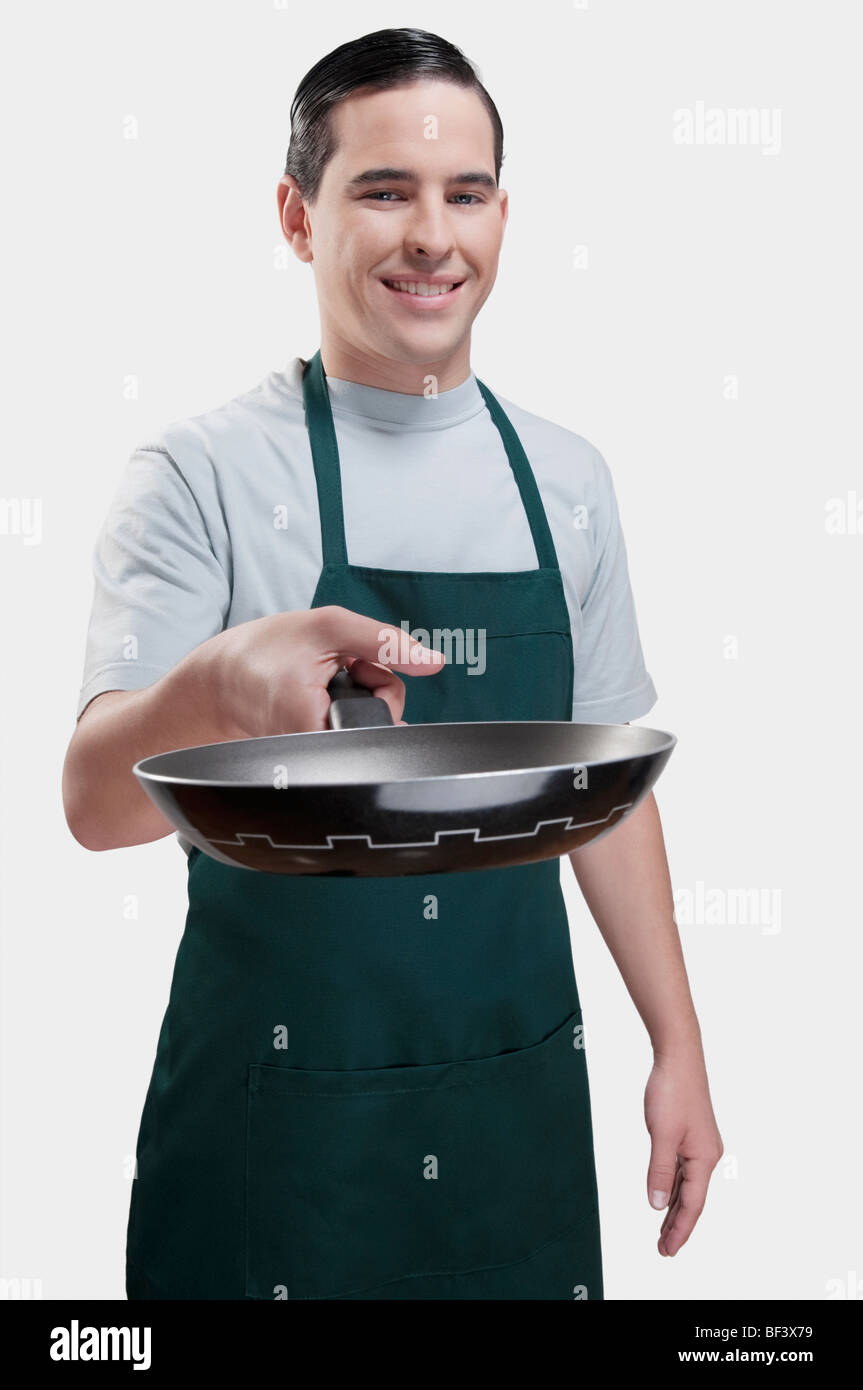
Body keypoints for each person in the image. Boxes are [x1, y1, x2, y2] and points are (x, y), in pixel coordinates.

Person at [62, 26, 722, 1301]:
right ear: (297, 219)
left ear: (500, 216)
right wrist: (211, 689)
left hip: (512, 1099)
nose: (432, 235)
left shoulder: (568, 483)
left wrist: (676, 1041)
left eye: (462, 194)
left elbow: (608, 796)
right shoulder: (200, 475)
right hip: (277, 1127)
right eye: (383, 191)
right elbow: (90, 804)